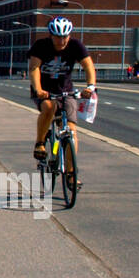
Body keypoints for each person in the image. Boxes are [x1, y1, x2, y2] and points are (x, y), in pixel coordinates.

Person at [27, 17, 96, 168]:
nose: (62, 41)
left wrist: (90, 86)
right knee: (49, 108)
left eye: (65, 37)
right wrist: (38, 89)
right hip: (44, 91)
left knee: (71, 130)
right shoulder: (41, 46)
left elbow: (88, 66)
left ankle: (71, 173)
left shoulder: (76, 46)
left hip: (66, 91)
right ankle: (40, 143)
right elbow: (34, 69)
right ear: (51, 35)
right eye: (58, 37)